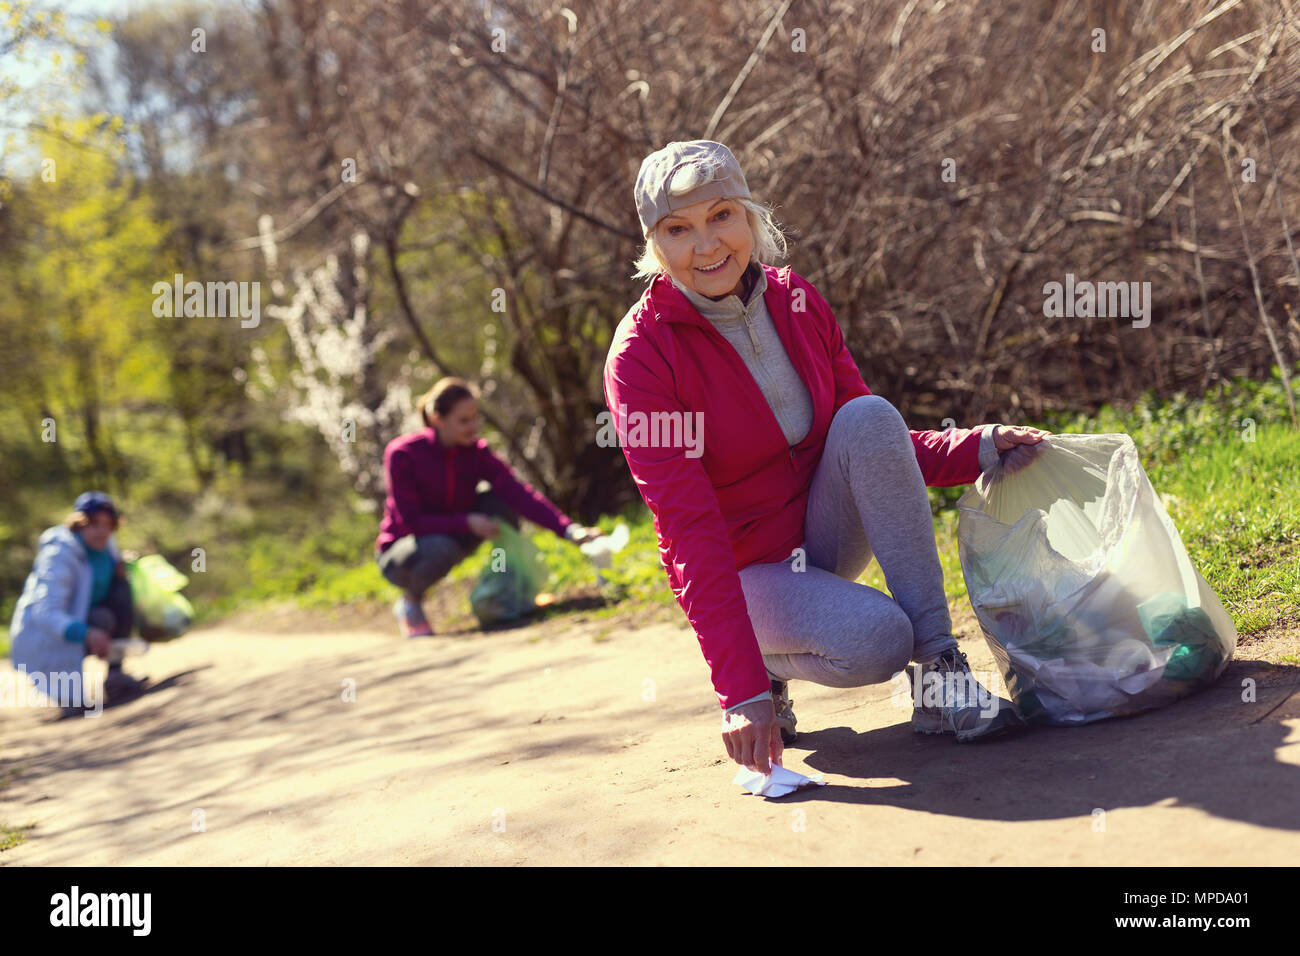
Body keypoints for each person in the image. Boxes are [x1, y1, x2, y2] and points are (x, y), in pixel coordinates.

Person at [603, 140, 1053, 775]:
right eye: (679, 229)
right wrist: (742, 692)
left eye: (721, 216)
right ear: (655, 245)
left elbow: (873, 444)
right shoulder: (641, 358)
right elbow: (688, 529)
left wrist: (975, 446)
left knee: (868, 414)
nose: (706, 245)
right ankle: (764, 661)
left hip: (821, 533)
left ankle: (940, 674)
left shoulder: (795, 300)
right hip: (746, 573)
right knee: (877, 641)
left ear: (751, 218)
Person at [375, 376, 604, 636]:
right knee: (442, 546)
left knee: (498, 501)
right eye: (464, 421)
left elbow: (519, 494)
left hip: (456, 535)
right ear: (438, 419)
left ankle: (512, 591)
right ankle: (411, 602)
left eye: (475, 418)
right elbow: (411, 521)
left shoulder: (476, 452)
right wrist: (466, 522)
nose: (473, 427)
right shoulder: (403, 454)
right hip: (403, 553)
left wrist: (569, 530)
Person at [9, 491, 147, 718]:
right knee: (75, 706)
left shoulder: (107, 543)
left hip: (93, 618)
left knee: (120, 590)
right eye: (93, 524)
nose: (101, 531)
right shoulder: (58, 555)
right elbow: (45, 612)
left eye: (107, 524)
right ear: (79, 524)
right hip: (52, 633)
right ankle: (67, 692)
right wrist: (86, 633)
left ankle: (115, 674)